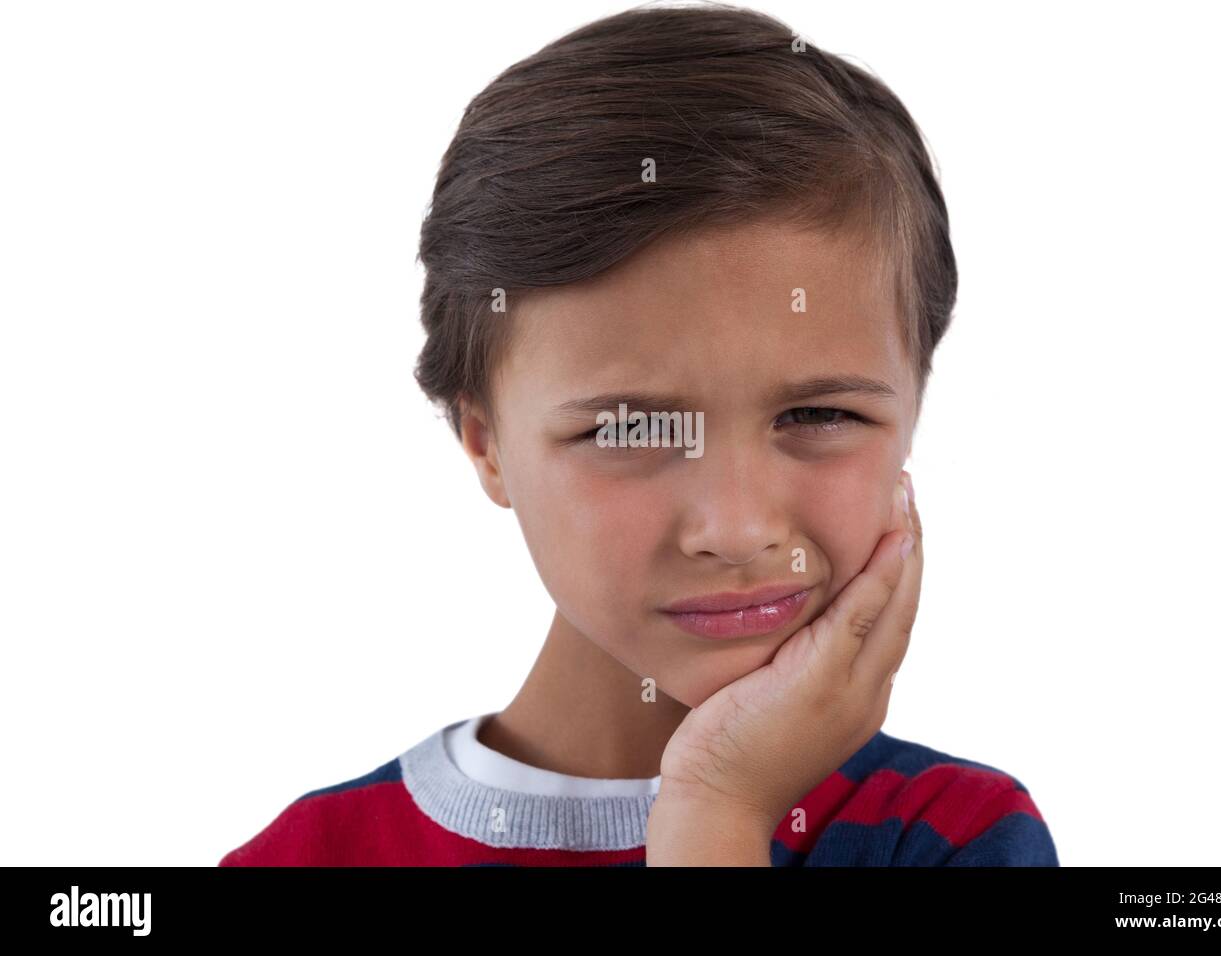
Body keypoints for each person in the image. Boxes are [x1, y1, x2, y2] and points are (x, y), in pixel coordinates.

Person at [220, 2, 1058, 867]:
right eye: (630, 428)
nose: (735, 528)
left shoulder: (950, 839)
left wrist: (717, 813)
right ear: (484, 440)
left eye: (818, 415)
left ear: (915, 405)